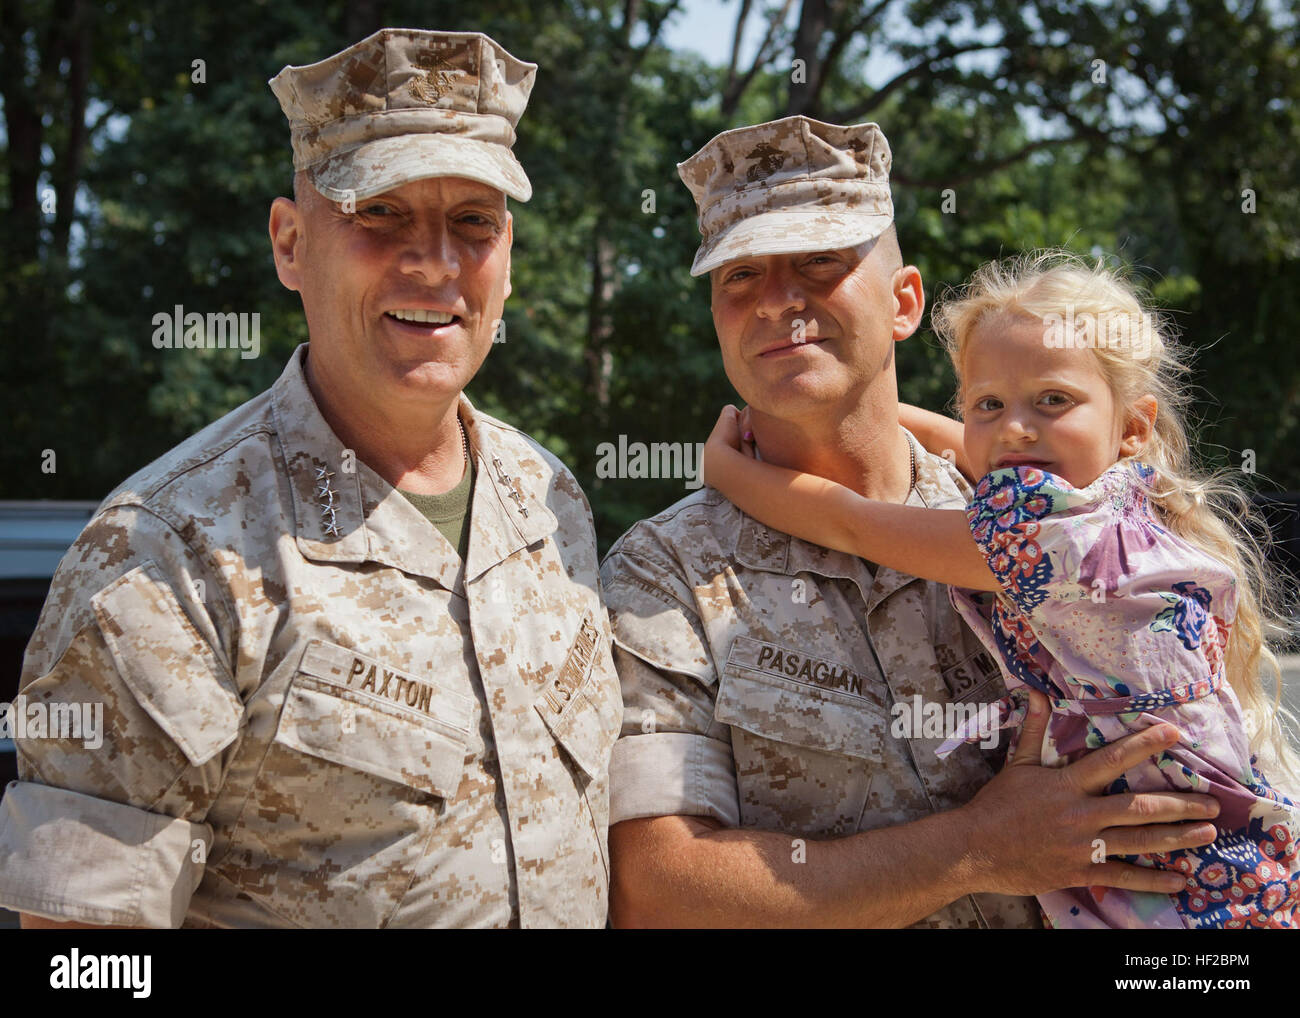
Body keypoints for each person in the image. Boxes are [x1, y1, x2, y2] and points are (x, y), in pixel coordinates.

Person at [0, 28, 621, 929]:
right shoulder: (167, 552)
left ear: (509, 256)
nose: (436, 262)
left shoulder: (549, 502)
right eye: (380, 214)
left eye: (473, 222)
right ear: (291, 244)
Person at [602, 115, 1224, 928]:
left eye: (819, 260)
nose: (778, 302)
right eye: (739, 276)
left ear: (904, 303)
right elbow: (658, 890)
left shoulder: (1022, 507)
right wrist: (977, 848)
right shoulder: (665, 572)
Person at [702, 250, 1300, 928]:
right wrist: (870, 406)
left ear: (1133, 427)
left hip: (1175, 885)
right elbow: (983, 445)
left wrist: (726, 468)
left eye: (1053, 400)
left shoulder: (1041, 531)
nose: (1016, 426)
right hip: (1226, 853)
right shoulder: (1122, 498)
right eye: (990, 402)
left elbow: (849, 522)